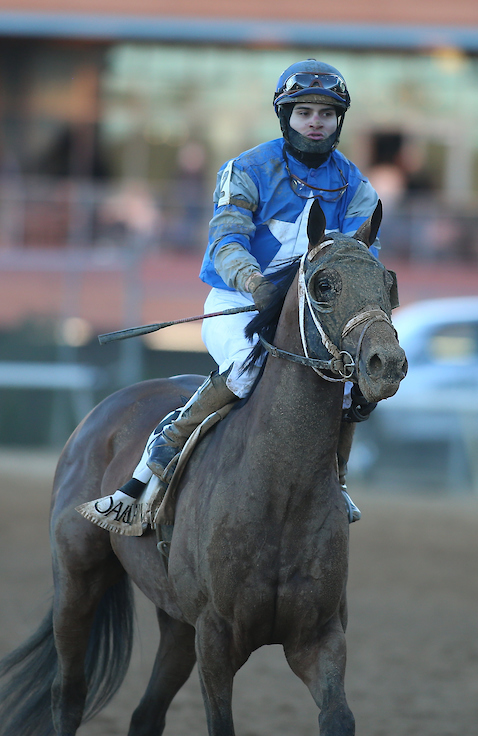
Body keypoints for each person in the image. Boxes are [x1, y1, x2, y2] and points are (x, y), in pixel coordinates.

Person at [87, 59, 381, 535]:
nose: (315, 122)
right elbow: (226, 242)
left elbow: (359, 260)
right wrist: (256, 283)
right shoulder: (246, 169)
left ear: (338, 120)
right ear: (285, 116)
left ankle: (335, 479)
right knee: (247, 368)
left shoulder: (357, 187)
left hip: (307, 315)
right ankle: (160, 455)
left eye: (326, 113)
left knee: (348, 383)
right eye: (304, 112)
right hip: (238, 302)